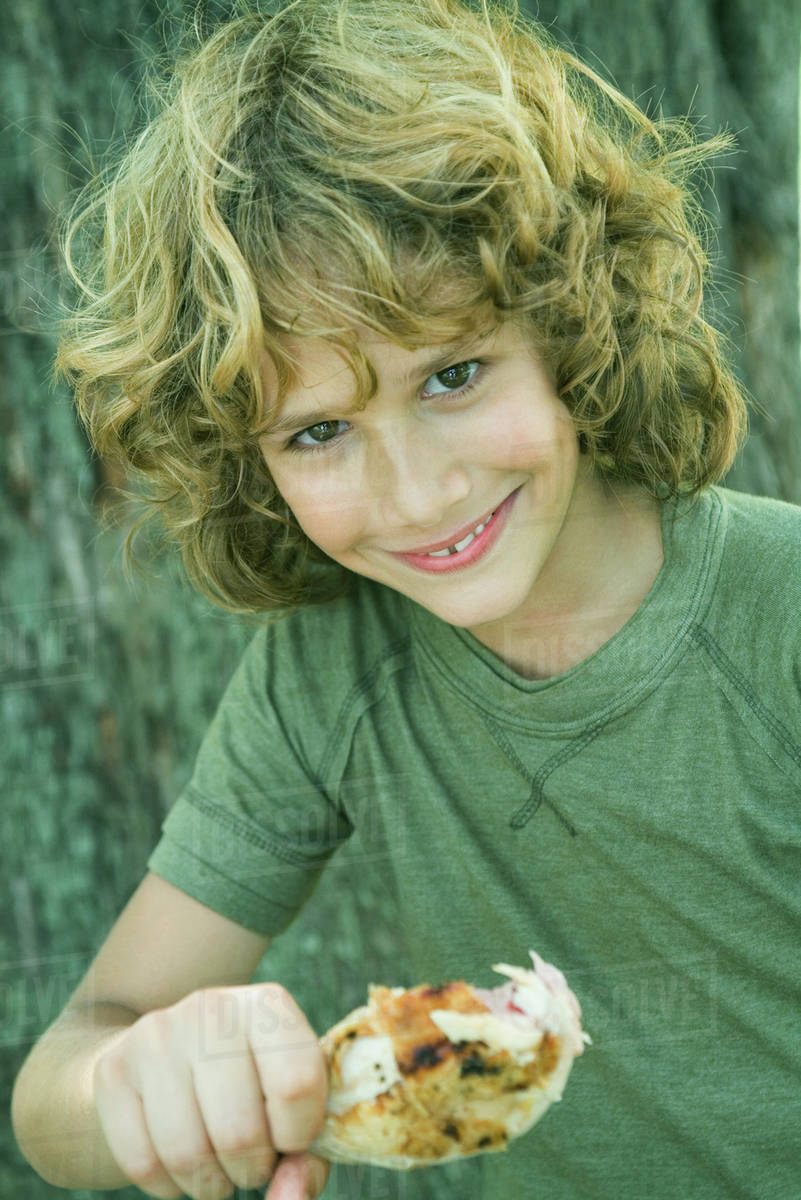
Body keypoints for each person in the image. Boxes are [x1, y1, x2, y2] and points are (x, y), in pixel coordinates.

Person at [11, 0, 801, 1197]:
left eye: (454, 373)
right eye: (319, 429)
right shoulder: (328, 666)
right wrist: (139, 1086)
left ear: (572, 323)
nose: (417, 491)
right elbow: (61, 1085)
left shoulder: (778, 621)